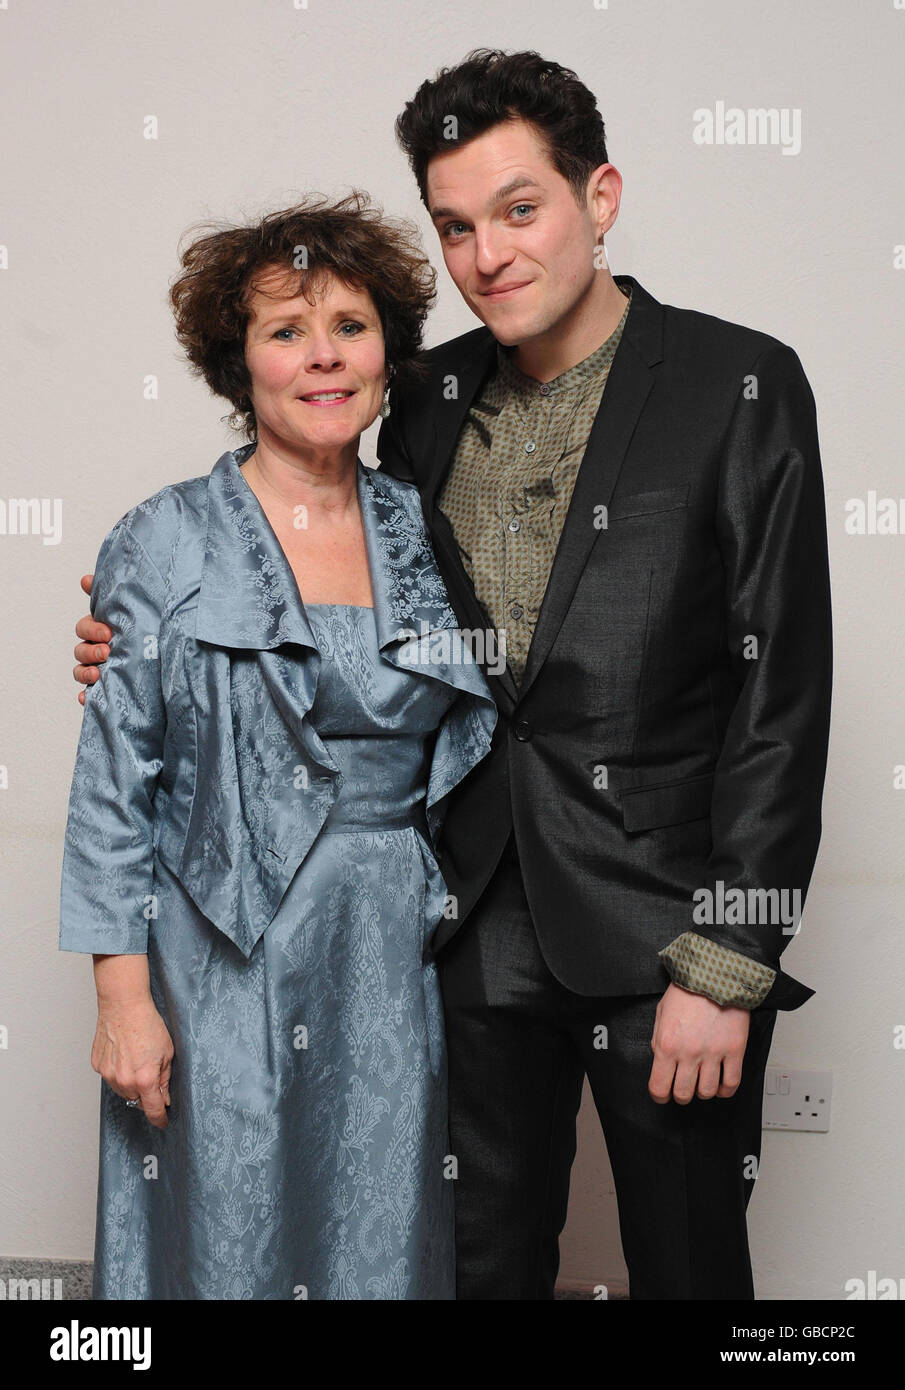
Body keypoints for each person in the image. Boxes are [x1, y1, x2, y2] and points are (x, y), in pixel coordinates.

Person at [73, 50, 833, 1300]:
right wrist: (125, 632)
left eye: (519, 210)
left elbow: (780, 698)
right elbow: (286, 567)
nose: (489, 255)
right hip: (460, 934)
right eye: (456, 228)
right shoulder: (423, 398)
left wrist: (726, 962)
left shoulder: (732, 384)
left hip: (663, 937)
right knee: (466, 1269)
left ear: (600, 198)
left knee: (692, 1271)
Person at [60, 192, 497, 1300]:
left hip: (390, 954)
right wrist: (122, 1003)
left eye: (348, 326)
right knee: (225, 1232)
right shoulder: (162, 538)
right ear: (234, 361)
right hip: (216, 952)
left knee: (377, 1232)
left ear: (387, 352)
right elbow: (115, 789)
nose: (322, 358)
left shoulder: (425, 527)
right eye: (285, 330)